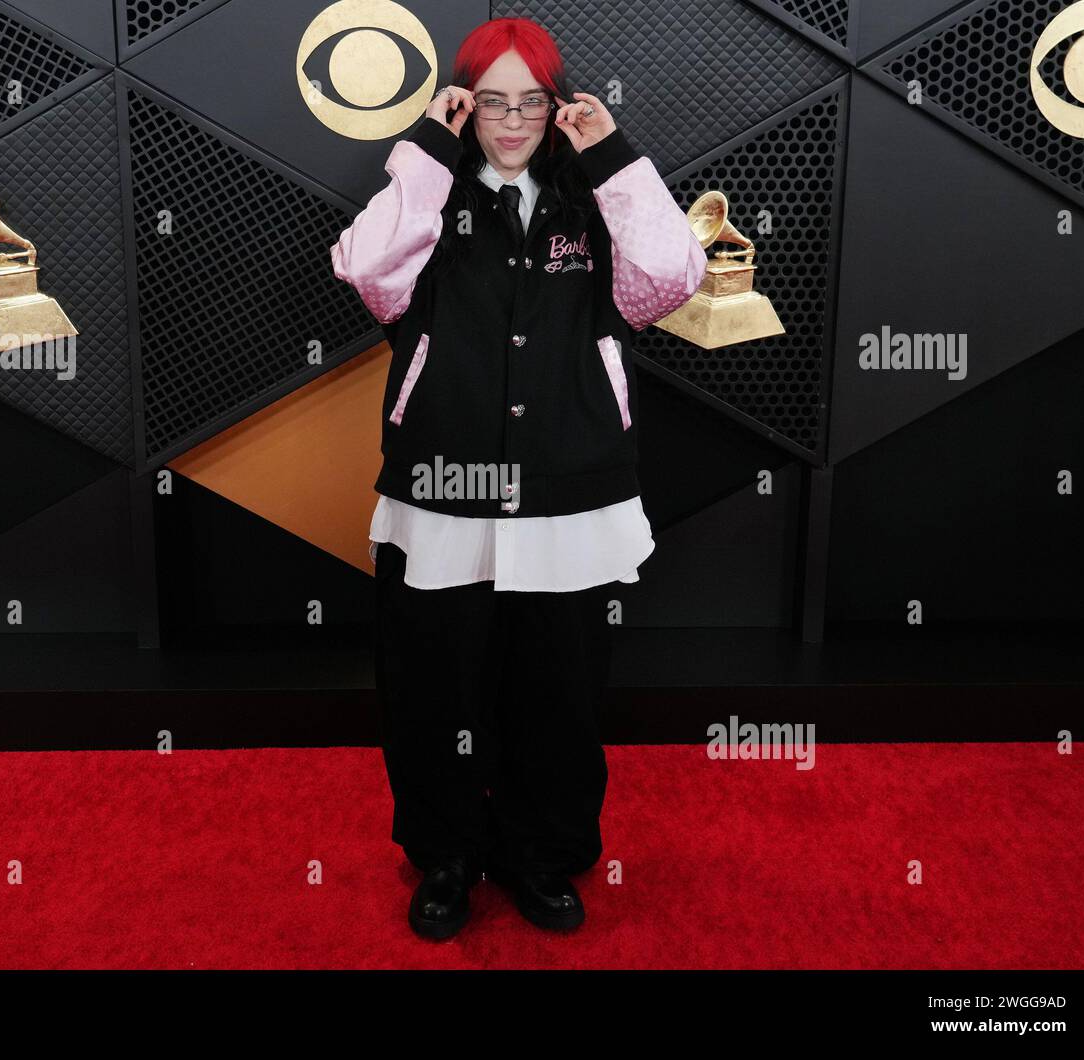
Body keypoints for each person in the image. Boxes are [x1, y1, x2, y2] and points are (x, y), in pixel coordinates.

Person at [330, 16, 707, 939]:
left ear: (556, 103)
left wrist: (613, 156)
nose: (509, 120)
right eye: (488, 100)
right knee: (435, 689)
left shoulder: (594, 208)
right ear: (463, 104)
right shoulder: (429, 205)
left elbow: (671, 278)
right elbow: (363, 267)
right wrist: (425, 143)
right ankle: (448, 857)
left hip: (570, 496)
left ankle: (541, 853)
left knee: (558, 691)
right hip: (442, 498)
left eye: (528, 100)